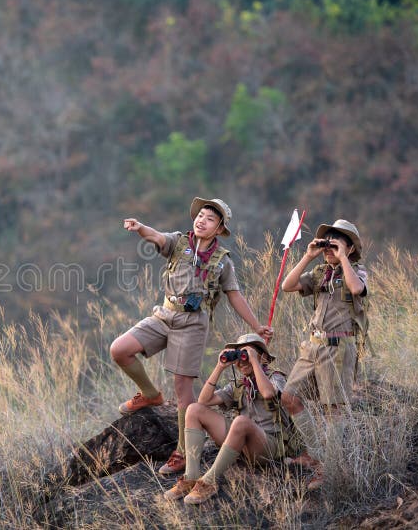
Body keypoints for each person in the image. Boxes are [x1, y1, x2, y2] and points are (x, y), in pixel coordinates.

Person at [111, 197, 273, 475]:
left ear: (220, 228)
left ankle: (183, 452)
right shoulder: (179, 242)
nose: (202, 220)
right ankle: (150, 394)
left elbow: (235, 296)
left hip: (193, 324)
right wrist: (140, 228)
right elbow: (155, 236)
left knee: (183, 387)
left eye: (210, 218)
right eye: (200, 215)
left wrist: (257, 326)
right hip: (164, 314)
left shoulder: (223, 262)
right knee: (120, 349)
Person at [279, 219, 368, 490]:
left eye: (336, 243)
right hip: (313, 345)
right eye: (327, 242)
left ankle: (329, 468)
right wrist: (309, 255)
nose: (329, 247)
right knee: (289, 397)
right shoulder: (319, 272)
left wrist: (343, 259)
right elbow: (287, 286)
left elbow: (356, 290)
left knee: (333, 411)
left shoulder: (358, 271)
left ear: (350, 248)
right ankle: (316, 454)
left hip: (338, 347)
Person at [163, 333, 292, 504]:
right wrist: (219, 367)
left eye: (246, 354)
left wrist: (254, 361)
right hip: (242, 447)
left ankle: (208, 482)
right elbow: (204, 401)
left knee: (241, 422)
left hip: (268, 447)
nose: (242, 360)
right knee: (194, 409)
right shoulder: (238, 385)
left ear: (264, 357)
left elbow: (268, 393)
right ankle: (190, 478)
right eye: (239, 356)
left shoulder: (275, 377)